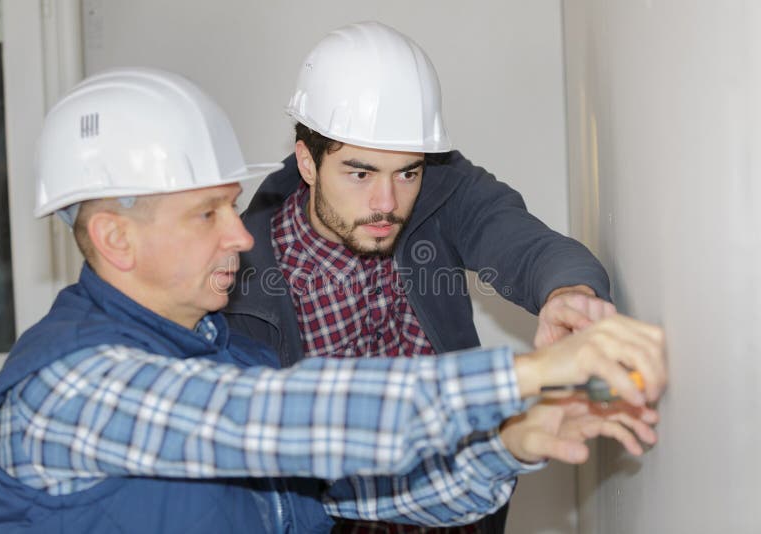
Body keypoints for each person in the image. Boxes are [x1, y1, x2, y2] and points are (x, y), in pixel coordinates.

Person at [0, 68, 665, 534]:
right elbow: (273, 419)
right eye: (207, 215)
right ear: (116, 238)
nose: (242, 236)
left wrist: (512, 443)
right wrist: (526, 373)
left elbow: (370, 491)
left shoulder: (229, 355)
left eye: (233, 207)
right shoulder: (69, 387)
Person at [225, 21, 624, 533]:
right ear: (307, 161)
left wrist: (569, 293)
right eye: (360, 173)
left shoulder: (444, 191)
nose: (386, 204)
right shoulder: (240, 278)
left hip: (461, 512)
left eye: (407, 173)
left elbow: (526, 244)